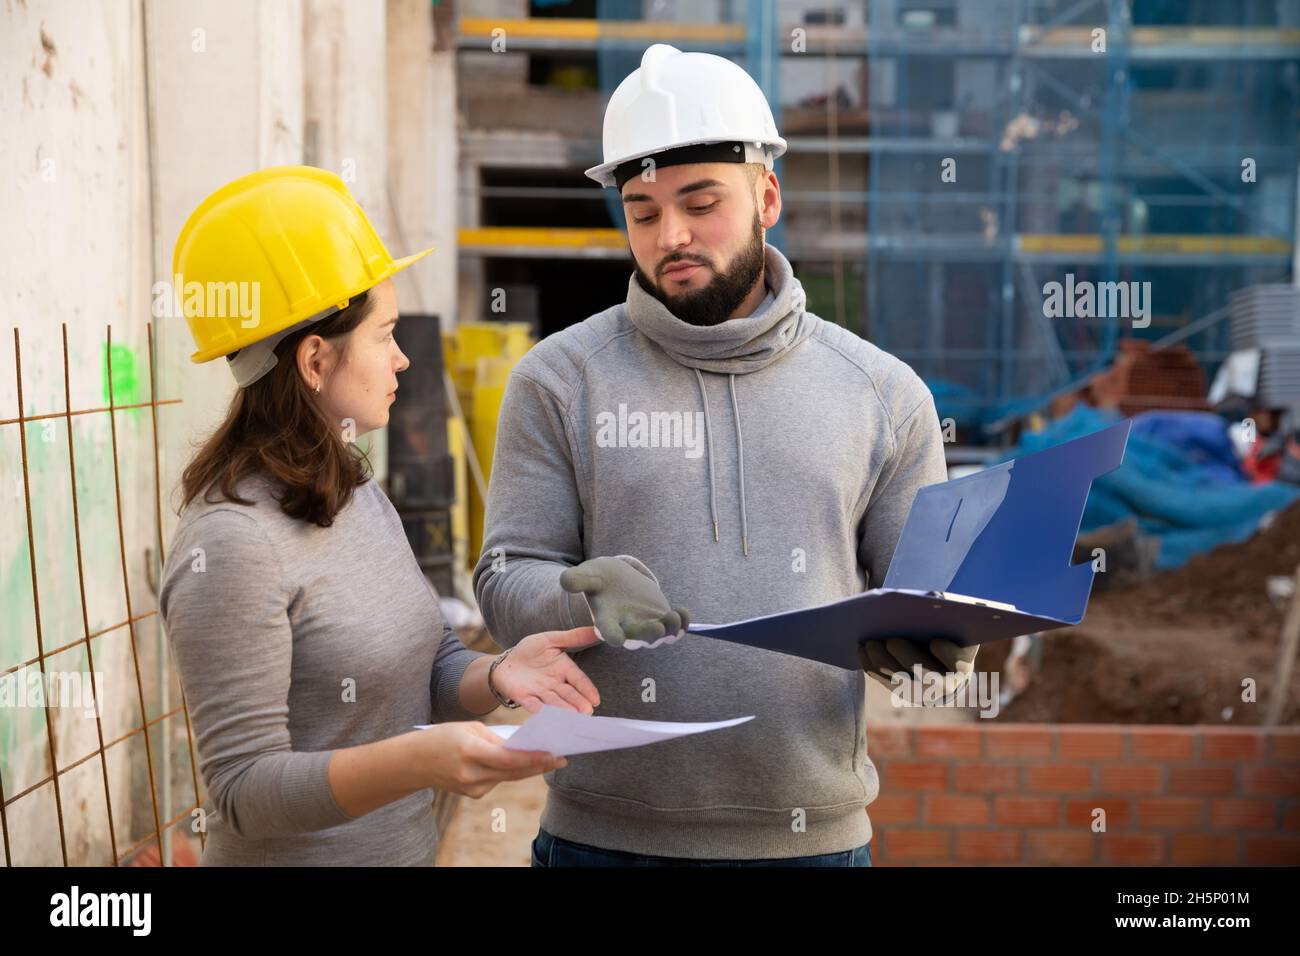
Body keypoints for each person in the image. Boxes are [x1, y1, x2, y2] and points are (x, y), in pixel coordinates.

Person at [474, 45, 977, 867]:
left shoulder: (883, 395)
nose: (670, 235)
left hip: (811, 846)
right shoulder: (560, 380)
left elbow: (930, 610)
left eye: (700, 202)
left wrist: (943, 655)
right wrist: (581, 601)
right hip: (603, 843)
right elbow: (504, 580)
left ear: (767, 195)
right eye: (641, 210)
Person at [160, 166, 600, 866]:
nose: (401, 359)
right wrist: (418, 761)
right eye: (385, 334)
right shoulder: (232, 543)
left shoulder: (354, 488)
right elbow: (243, 790)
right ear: (313, 360)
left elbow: (430, 661)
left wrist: (501, 674)